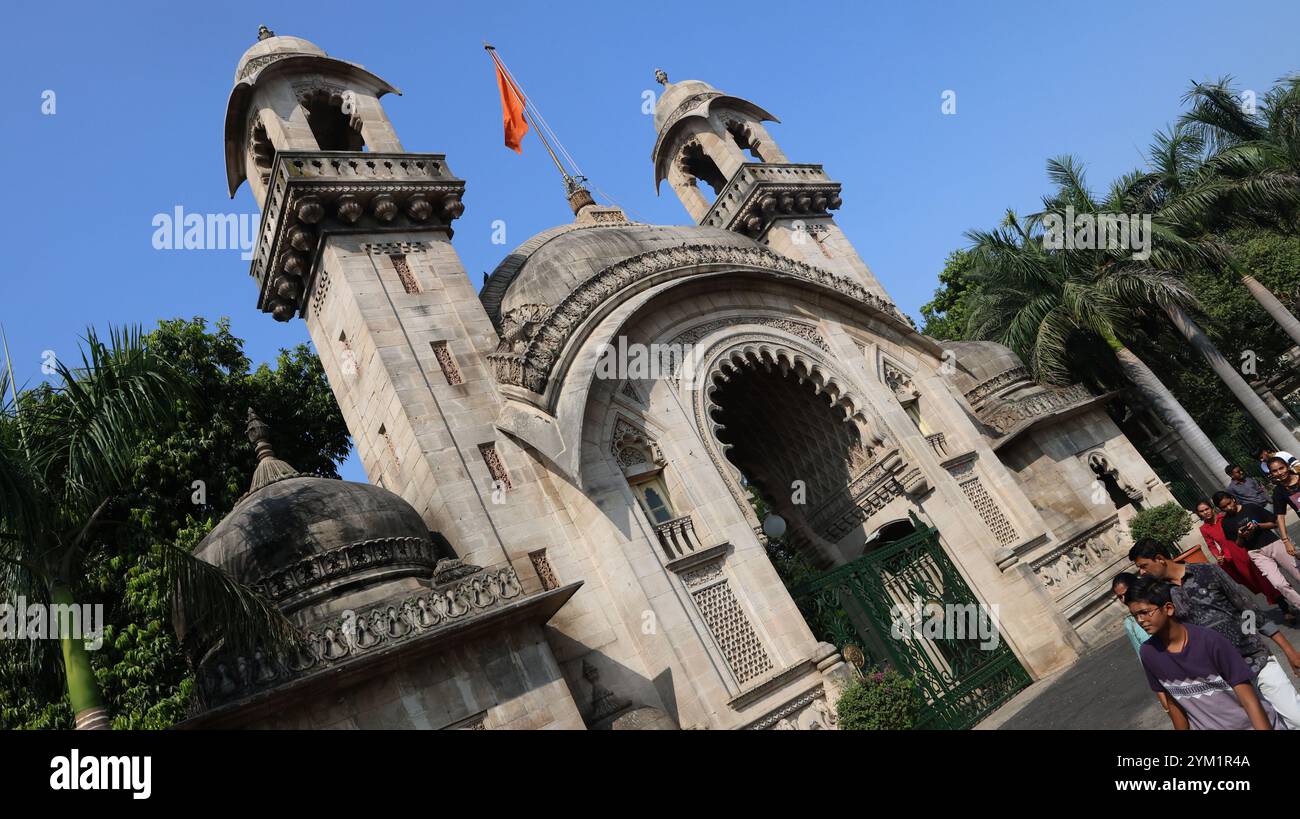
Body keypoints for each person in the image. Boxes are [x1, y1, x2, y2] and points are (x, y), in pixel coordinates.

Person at [1129, 538, 1300, 728]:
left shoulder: (1206, 572)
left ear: (1160, 559)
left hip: (1255, 660)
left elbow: (1247, 608)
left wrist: (1258, 641)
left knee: (1295, 717)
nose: (1142, 573)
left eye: (1143, 566)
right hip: (1224, 679)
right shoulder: (1162, 596)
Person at [1125, 576, 1281, 730]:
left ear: (1169, 609)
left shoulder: (1210, 642)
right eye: (1135, 616)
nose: (1140, 620)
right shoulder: (1148, 653)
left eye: (1145, 612)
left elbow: (1249, 701)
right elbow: (1174, 703)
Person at [1215, 491, 1300, 611]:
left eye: (1229, 503)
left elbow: (1274, 523)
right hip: (1256, 553)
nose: (1229, 507)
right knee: (1278, 584)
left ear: (1233, 499)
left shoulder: (1250, 507)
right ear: (1219, 508)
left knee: (1297, 573)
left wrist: (1258, 526)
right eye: (1224, 507)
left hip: (1273, 543)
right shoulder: (1226, 522)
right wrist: (1240, 535)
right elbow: (1239, 544)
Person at [1195, 499, 1285, 611]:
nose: (1205, 512)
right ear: (1198, 514)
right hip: (1232, 559)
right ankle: (1280, 598)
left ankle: (1283, 604)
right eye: (1202, 511)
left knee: (1264, 577)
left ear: (1212, 508)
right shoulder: (1204, 529)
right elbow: (1211, 545)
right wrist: (1218, 556)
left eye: (1207, 509)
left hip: (1243, 549)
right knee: (1254, 581)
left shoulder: (1225, 518)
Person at [1269, 455, 1300, 551]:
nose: (1279, 473)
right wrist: (1286, 541)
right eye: (1275, 471)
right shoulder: (1278, 492)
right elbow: (1280, 517)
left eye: (1281, 468)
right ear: (1271, 474)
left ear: (1287, 466)